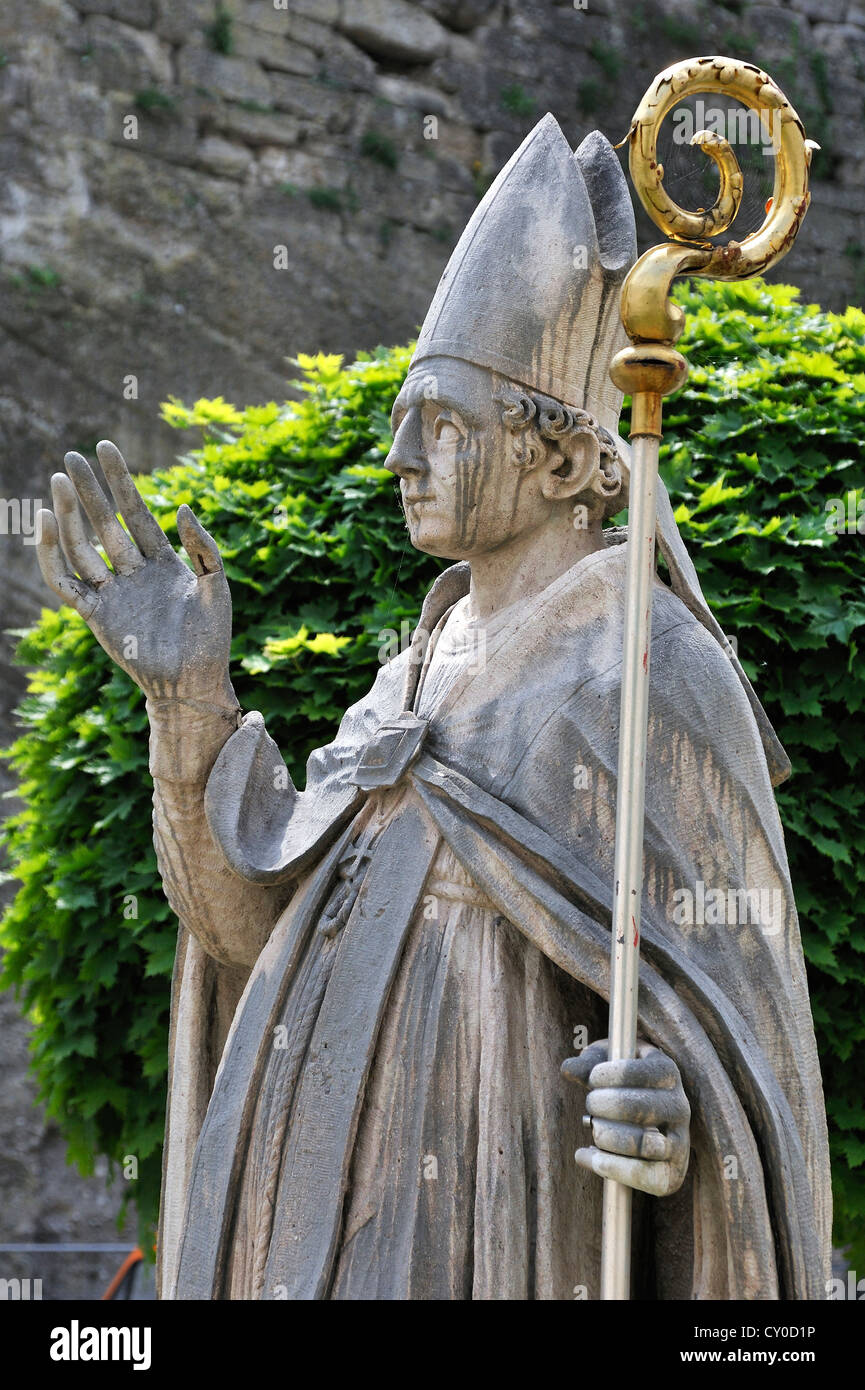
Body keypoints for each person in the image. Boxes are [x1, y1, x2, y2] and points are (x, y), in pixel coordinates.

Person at [37, 116, 830, 1300]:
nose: (400, 455)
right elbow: (246, 931)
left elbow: (749, 1041)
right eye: (405, 420)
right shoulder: (409, 672)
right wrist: (186, 696)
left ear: (565, 462)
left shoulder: (650, 669)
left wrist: (681, 1117)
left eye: (445, 422)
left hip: (498, 1225)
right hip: (317, 1224)